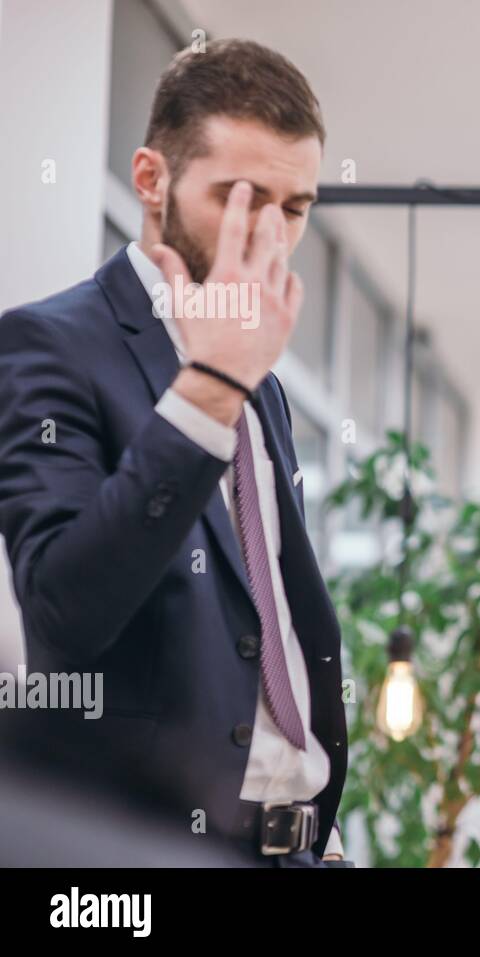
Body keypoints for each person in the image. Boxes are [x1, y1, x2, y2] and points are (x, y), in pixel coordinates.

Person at [0, 39, 347, 866]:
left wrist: (319, 828)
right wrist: (209, 386)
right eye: (239, 195)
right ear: (151, 179)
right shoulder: (49, 344)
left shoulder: (265, 385)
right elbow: (64, 610)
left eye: (293, 209)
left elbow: (272, 626)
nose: (267, 234)